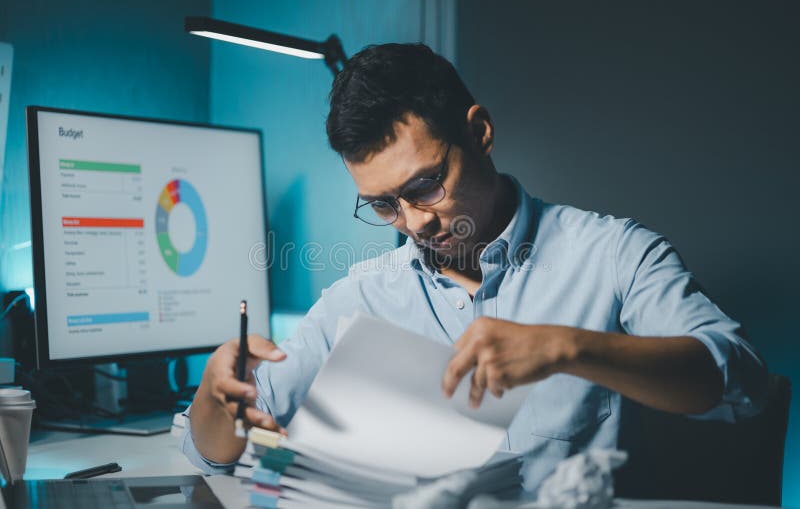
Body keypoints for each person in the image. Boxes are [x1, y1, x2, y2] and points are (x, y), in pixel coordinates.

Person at [181, 43, 768, 491]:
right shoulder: (357, 300)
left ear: (480, 133)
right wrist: (215, 393)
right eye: (384, 204)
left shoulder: (614, 255)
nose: (413, 222)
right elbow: (211, 449)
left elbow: (741, 382)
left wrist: (570, 348)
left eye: (426, 185)